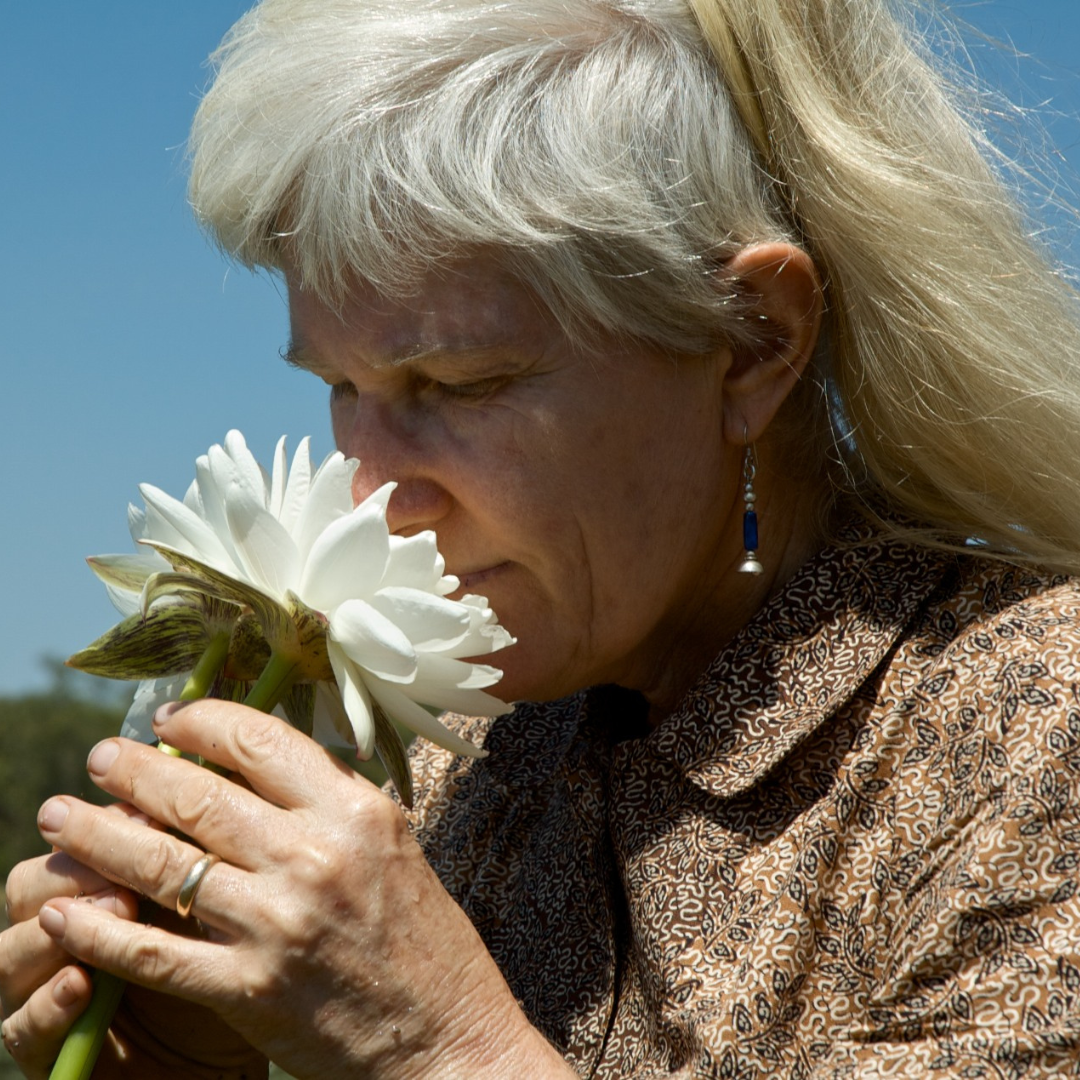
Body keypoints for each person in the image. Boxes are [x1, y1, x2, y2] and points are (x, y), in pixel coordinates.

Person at [3, 0, 1080, 1075]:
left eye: (459, 383)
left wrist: (447, 1045)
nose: (371, 495)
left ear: (752, 341)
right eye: (339, 386)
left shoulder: (1034, 730)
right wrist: (197, 1061)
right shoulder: (458, 755)